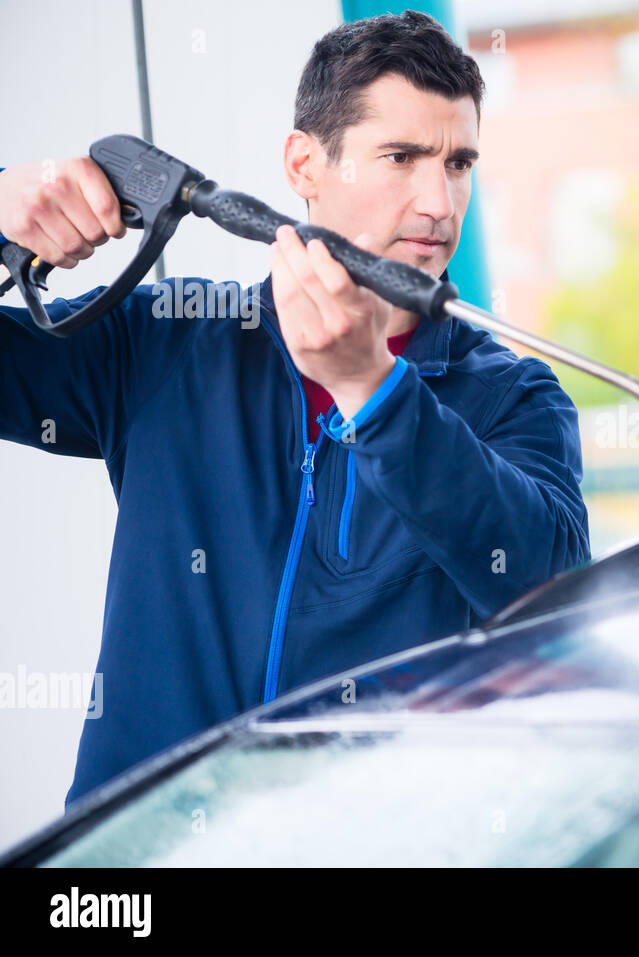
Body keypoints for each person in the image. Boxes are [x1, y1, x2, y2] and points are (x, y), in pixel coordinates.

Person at [0, 10, 590, 808]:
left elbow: (557, 604)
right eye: (402, 157)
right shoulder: (166, 343)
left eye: (458, 163)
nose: (439, 201)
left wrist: (374, 394)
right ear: (304, 164)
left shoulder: (513, 399)